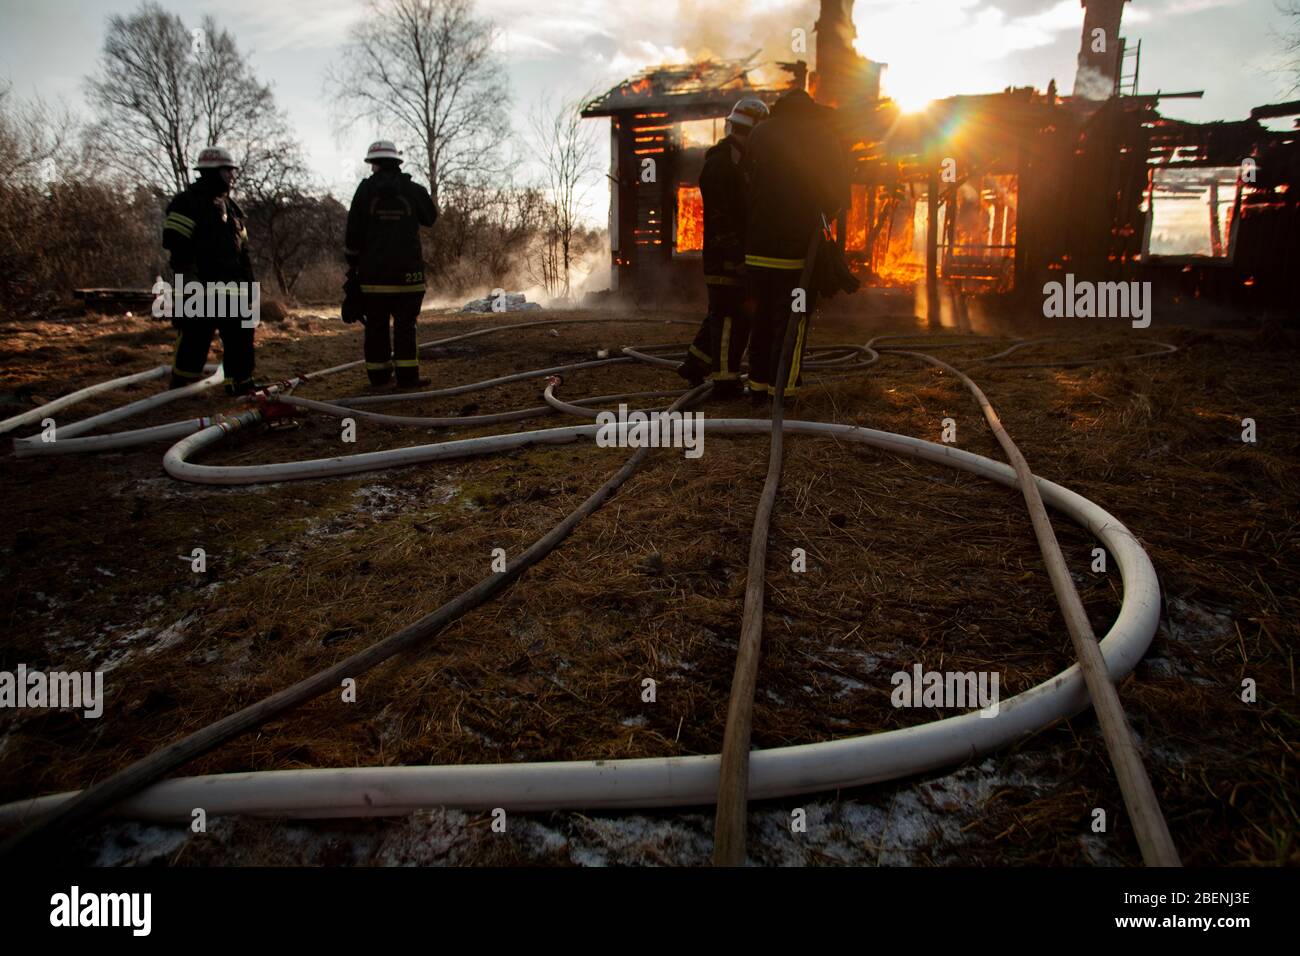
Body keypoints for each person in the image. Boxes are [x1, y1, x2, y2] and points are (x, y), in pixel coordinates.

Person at [741, 89, 849, 400]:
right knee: (793, 318)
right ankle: (784, 390)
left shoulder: (760, 133)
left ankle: (758, 386)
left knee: (760, 317)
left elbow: (748, 182)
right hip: (796, 253)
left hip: (757, 251)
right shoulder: (822, 135)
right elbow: (836, 194)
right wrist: (820, 215)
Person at [677, 98, 769, 398]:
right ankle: (726, 382)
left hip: (732, 255)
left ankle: (694, 365)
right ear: (753, 130)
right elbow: (722, 218)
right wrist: (735, 256)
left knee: (720, 314)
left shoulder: (739, 160)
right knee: (731, 318)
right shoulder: (723, 163)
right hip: (726, 258)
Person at [162, 145, 258, 395]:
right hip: (200, 286)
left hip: (233, 288)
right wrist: (189, 288)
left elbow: (243, 252)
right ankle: (183, 386)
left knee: (241, 337)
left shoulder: (233, 208)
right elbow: (177, 247)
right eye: (228, 171)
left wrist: (250, 285)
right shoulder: (187, 203)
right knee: (195, 337)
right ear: (214, 172)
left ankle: (241, 385)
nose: (232, 177)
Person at [343, 140, 438, 388]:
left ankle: (379, 377)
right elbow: (431, 217)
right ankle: (408, 378)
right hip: (409, 278)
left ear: (373, 164)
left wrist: (353, 266)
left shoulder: (364, 191)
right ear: (397, 162)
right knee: (406, 326)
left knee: (376, 326)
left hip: (373, 278)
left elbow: (352, 234)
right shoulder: (412, 190)